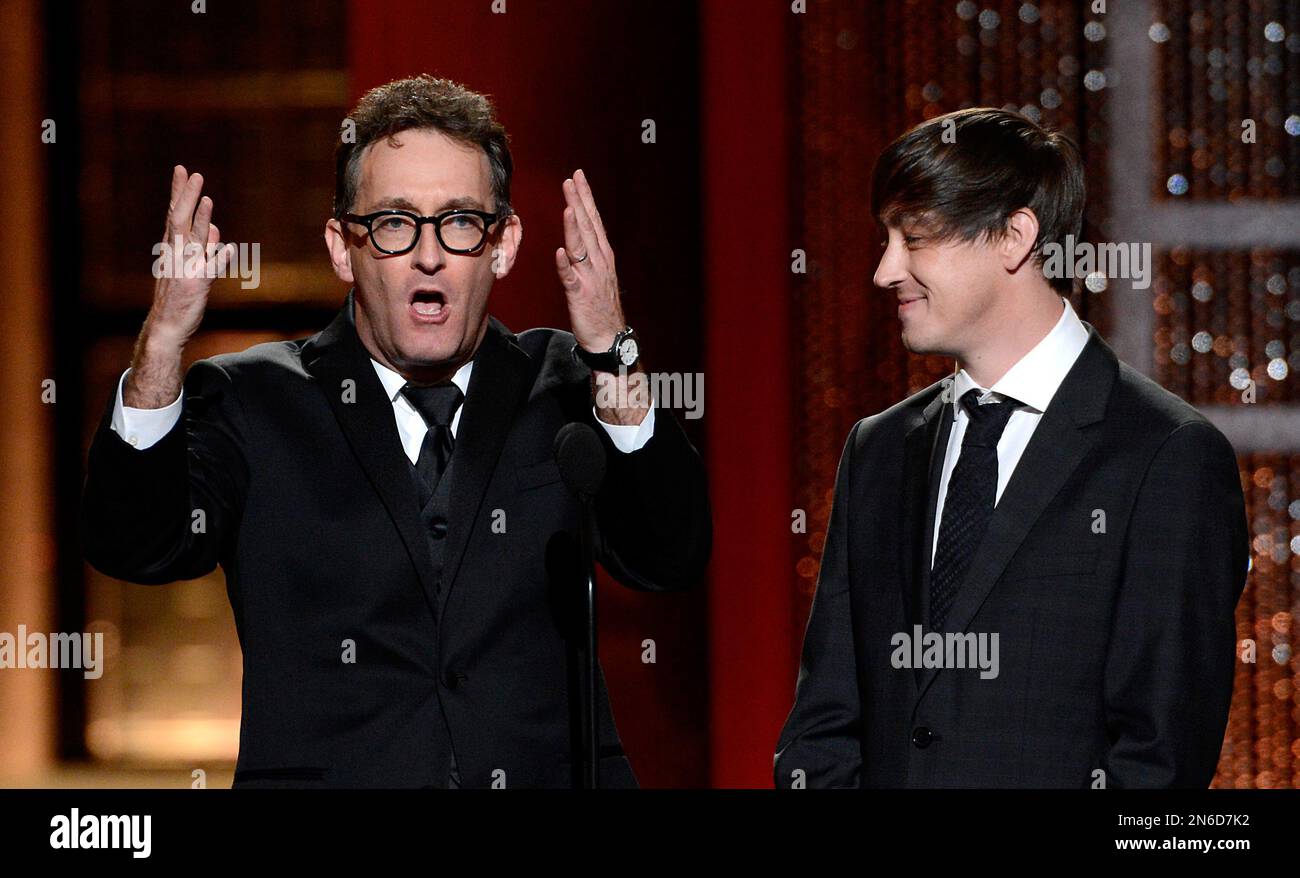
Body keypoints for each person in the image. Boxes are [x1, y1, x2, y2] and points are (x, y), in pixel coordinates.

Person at [80, 75, 711, 789]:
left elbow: (670, 554)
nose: (429, 254)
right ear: (342, 249)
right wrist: (162, 343)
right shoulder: (257, 399)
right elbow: (133, 545)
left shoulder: (567, 383)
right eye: (393, 223)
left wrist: (612, 352)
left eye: (461, 221)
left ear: (503, 246)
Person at [774, 108, 1248, 788]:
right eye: (887, 239)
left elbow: (1159, 761)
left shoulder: (1165, 457)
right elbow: (825, 724)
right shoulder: (878, 449)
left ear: (1015, 237)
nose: (885, 270)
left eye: (914, 238)